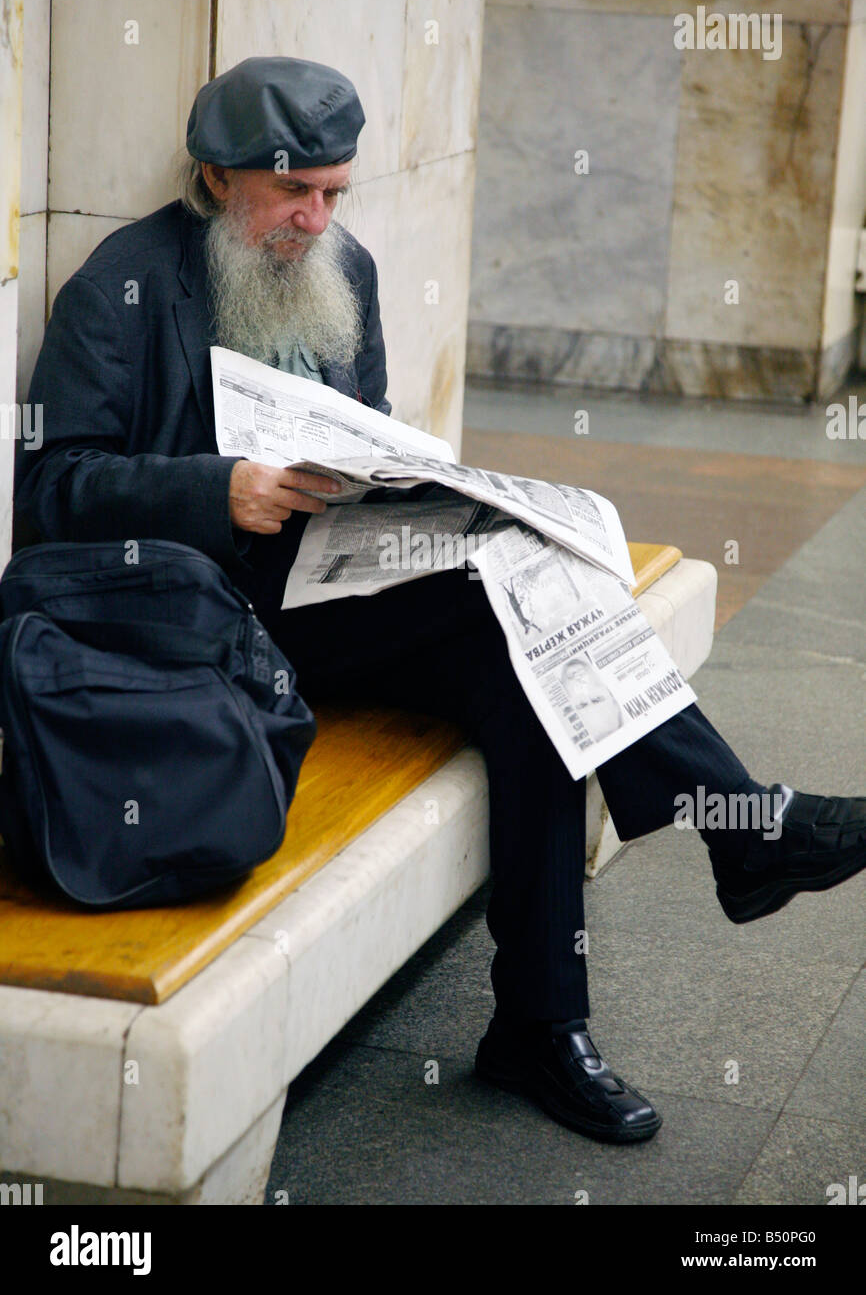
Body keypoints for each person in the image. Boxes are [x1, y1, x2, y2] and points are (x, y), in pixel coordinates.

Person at [14, 57, 866, 1146]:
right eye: (292, 194)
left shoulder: (344, 270)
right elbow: (50, 489)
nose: (315, 221)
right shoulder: (122, 284)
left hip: (338, 587)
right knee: (513, 616)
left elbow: (364, 436)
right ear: (219, 177)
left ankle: (540, 1026)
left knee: (530, 670)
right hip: (202, 618)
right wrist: (214, 489)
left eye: (333, 193)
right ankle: (745, 825)